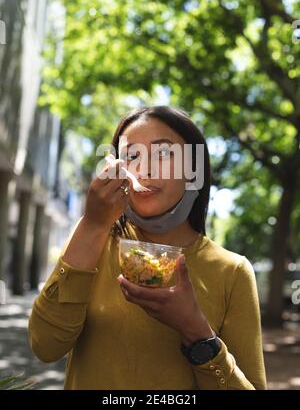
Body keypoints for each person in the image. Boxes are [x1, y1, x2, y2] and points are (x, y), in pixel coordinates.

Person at [28, 106, 267, 390]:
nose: (144, 168)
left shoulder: (231, 272)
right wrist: (92, 225)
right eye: (131, 156)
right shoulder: (94, 239)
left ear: (194, 170)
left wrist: (196, 331)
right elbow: (44, 346)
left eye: (164, 154)